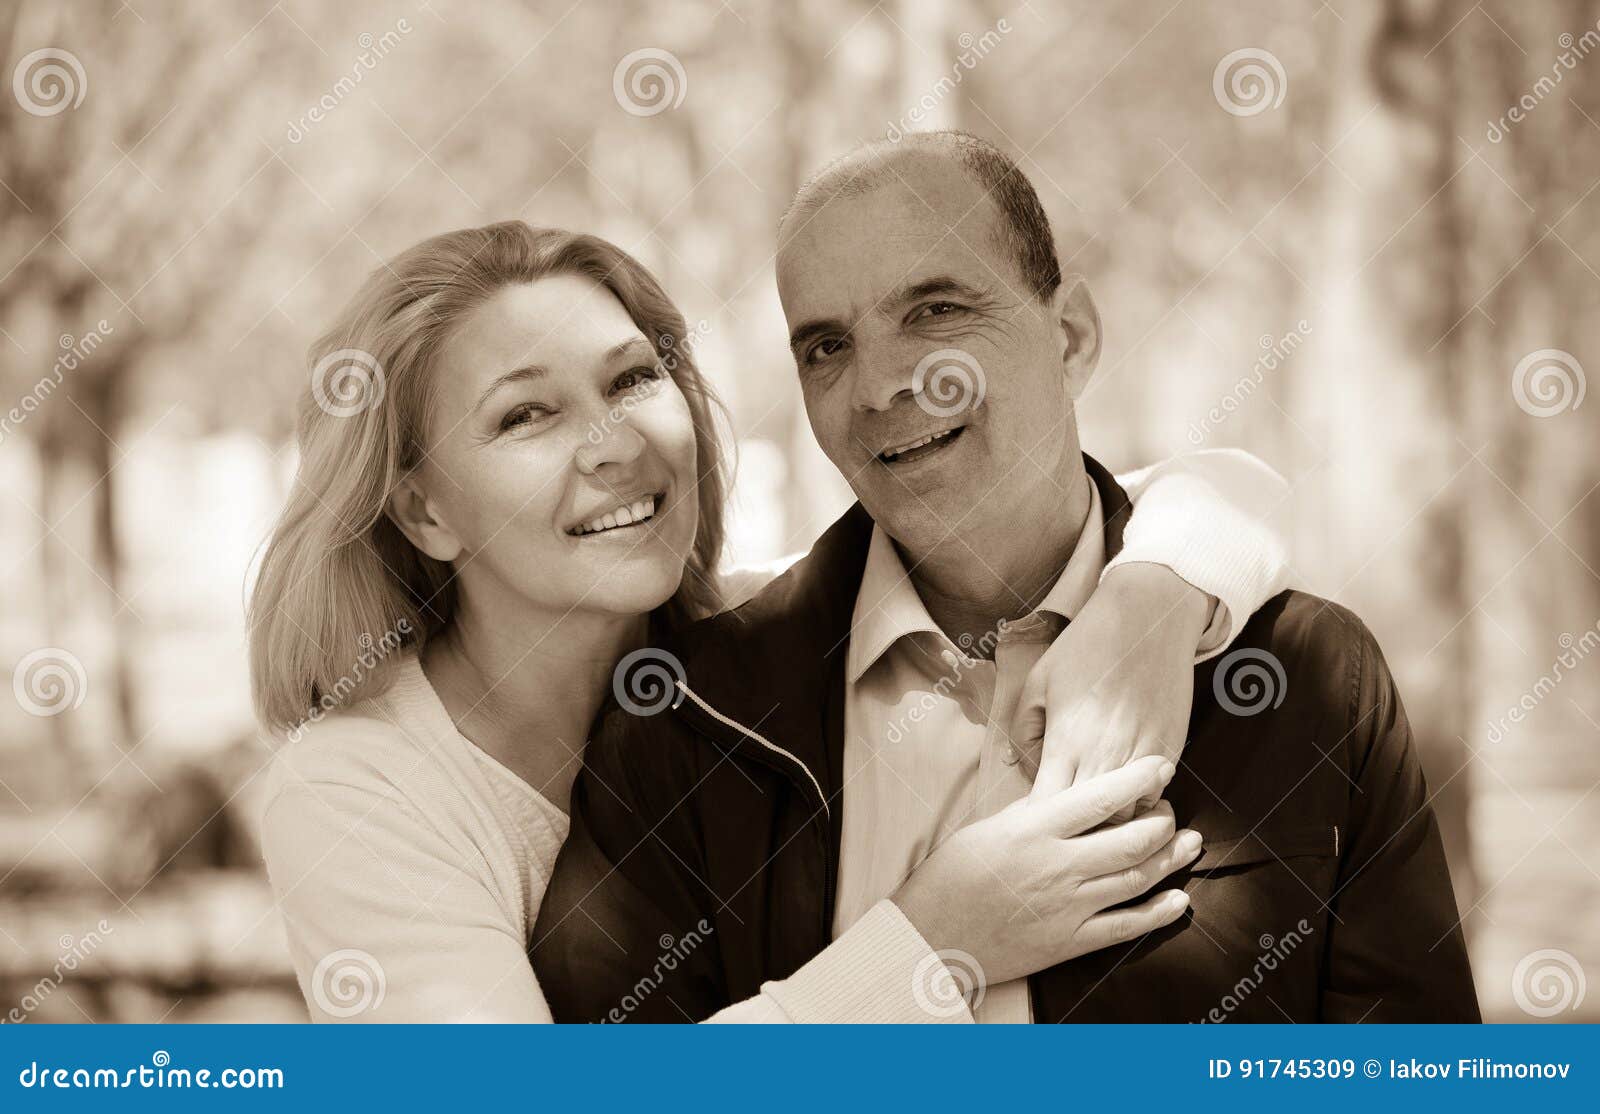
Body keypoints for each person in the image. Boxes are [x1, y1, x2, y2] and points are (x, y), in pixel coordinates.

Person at [532, 132, 1481, 1023]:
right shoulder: (688, 715)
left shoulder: (1309, 680)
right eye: (828, 346)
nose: (879, 388)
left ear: (1069, 336)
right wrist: (922, 949)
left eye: (935, 311)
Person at [251, 219, 1290, 1023]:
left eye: (632, 379)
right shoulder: (354, 787)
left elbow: (1226, 491)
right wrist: (936, 939)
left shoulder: (766, 643)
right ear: (424, 509)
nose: (615, 444)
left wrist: (1149, 597)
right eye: (527, 414)